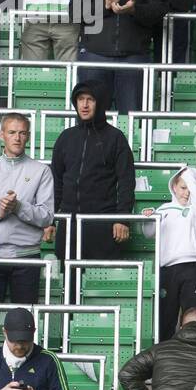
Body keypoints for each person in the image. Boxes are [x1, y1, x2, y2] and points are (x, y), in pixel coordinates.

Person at [0, 113, 55, 305]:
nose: (17, 138)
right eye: (12, 132)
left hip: (27, 257)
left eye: (22, 133)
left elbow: (47, 216)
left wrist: (18, 207)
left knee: (24, 321)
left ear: (29, 136)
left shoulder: (41, 170)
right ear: (1, 135)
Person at [51, 81, 136, 260]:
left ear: (101, 103)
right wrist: (50, 220)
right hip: (69, 225)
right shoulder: (66, 138)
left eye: (90, 99)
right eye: (80, 99)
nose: (84, 104)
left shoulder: (116, 138)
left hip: (103, 224)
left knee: (99, 286)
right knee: (69, 285)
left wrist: (122, 219)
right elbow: (56, 183)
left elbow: (126, 181)